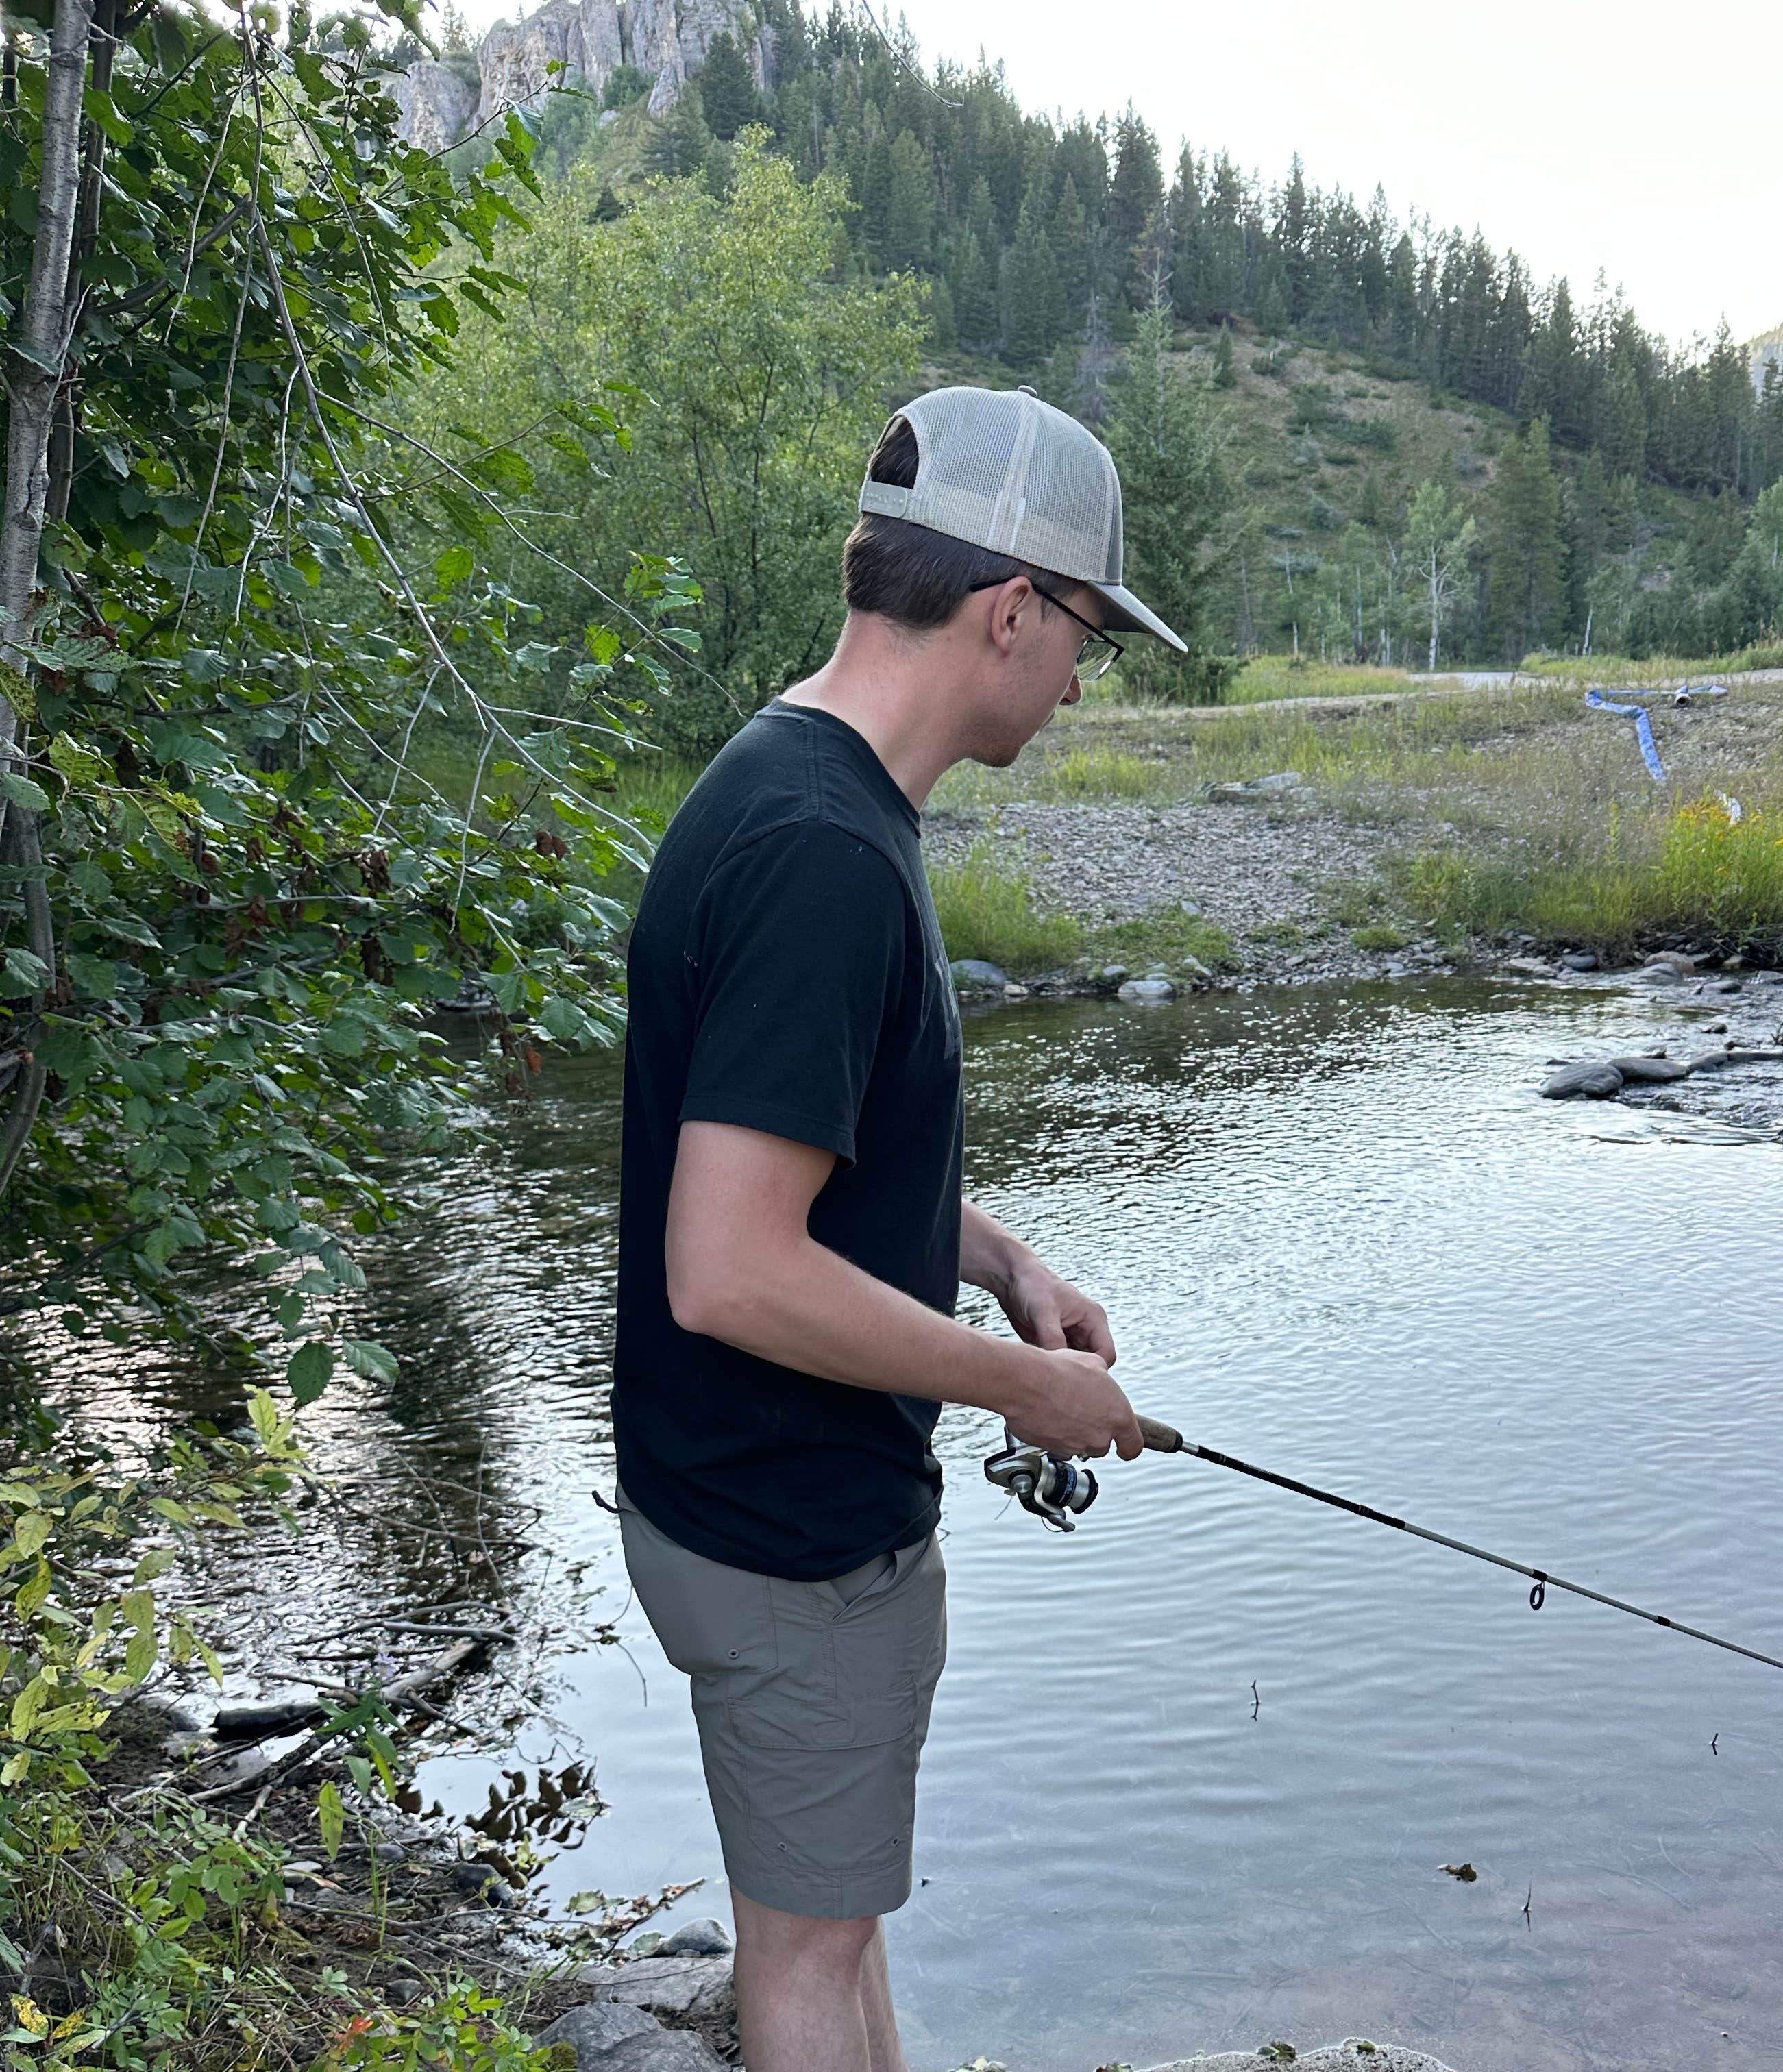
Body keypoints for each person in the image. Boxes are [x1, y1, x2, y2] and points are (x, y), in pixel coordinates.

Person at [611, 384, 1188, 2072]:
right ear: (1012, 607)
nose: (1086, 677)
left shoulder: (799, 779)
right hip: (785, 1533)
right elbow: (729, 1267)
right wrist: (1025, 1394)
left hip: (751, 1503)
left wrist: (1003, 1264)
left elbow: (815, 1165)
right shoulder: (823, 850)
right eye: (1090, 633)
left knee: (827, 1926)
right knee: (803, 1961)